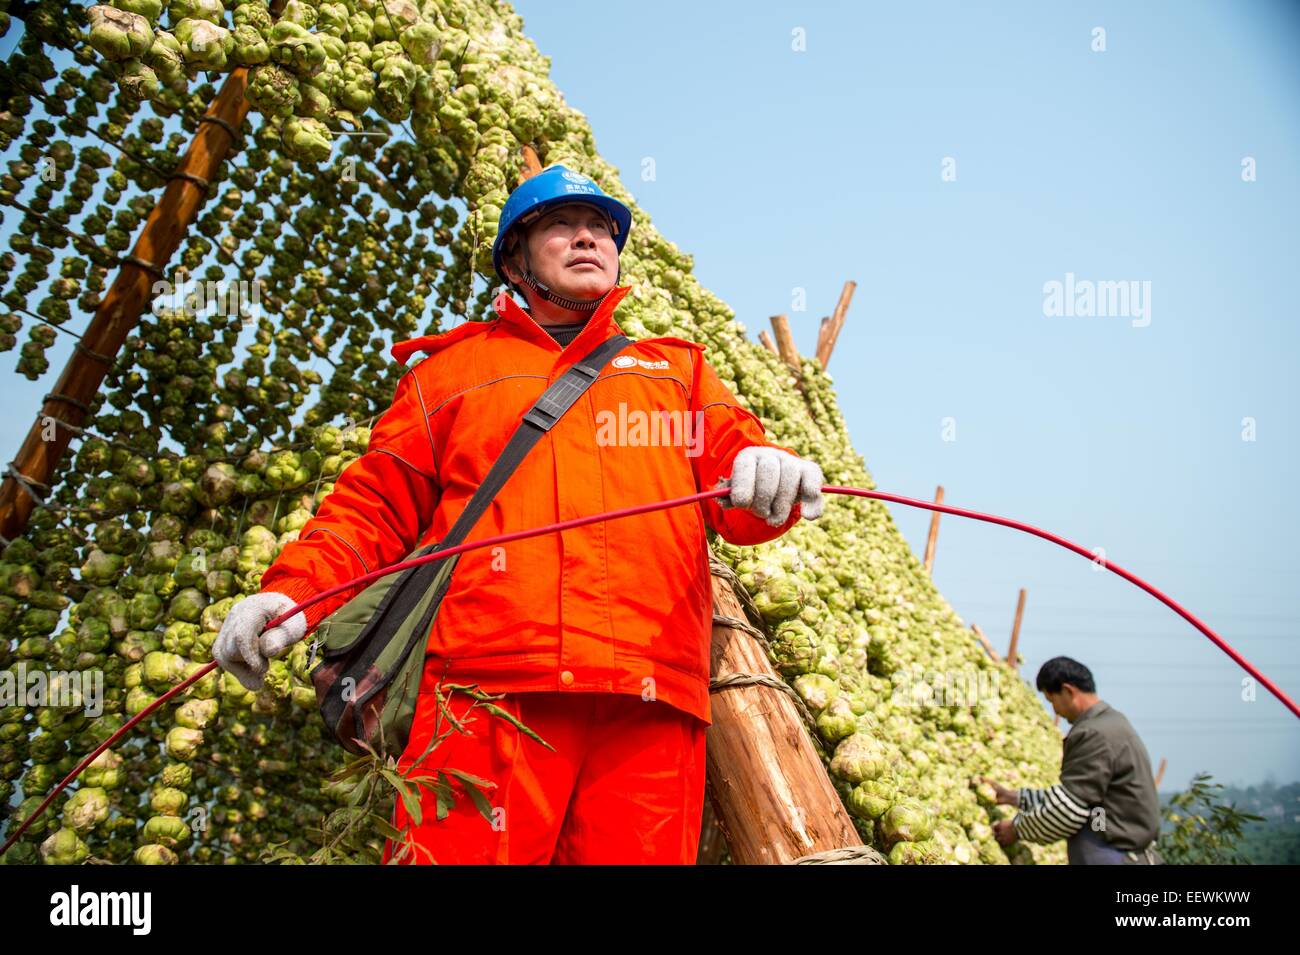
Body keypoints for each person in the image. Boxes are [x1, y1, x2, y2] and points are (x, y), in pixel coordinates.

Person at [213, 164, 827, 864]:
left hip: (650, 699)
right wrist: (291, 594)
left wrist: (766, 470)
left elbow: (736, 479)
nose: (588, 238)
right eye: (562, 225)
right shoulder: (451, 370)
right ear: (515, 257)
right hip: (487, 690)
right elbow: (372, 505)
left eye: (601, 228)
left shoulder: (673, 371)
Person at [980, 656, 1163, 864]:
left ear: (1068, 690)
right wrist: (1015, 798)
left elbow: (1068, 809)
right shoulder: (1113, 722)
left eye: (1052, 701)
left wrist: (1015, 829)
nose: (1055, 710)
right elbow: (1082, 797)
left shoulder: (1094, 734)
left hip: (1115, 855)